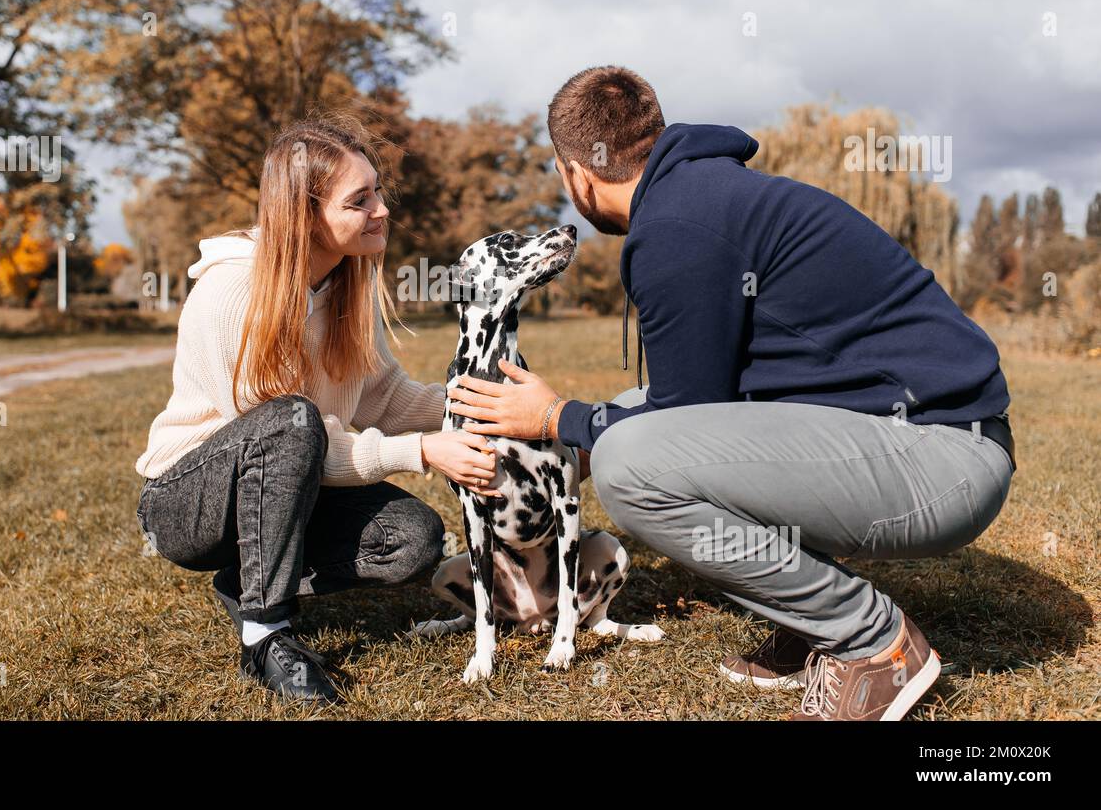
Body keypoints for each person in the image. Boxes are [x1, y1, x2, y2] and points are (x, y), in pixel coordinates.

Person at [449, 65, 1015, 721]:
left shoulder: (677, 227)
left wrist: (557, 416)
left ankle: (871, 642)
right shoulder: (703, 194)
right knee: (633, 420)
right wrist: (559, 434)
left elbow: (675, 425)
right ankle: (814, 624)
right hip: (940, 443)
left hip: (942, 461)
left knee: (630, 466)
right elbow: (692, 403)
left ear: (573, 172)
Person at [134, 116, 498, 705]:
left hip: (285, 489)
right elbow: (288, 437)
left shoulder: (346, 282)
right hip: (188, 505)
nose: (382, 209)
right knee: (293, 419)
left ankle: (246, 581)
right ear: (305, 216)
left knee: (413, 539)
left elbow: (383, 397)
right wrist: (423, 452)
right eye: (361, 200)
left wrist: (475, 407)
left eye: (378, 191)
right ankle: (265, 634)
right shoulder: (234, 290)